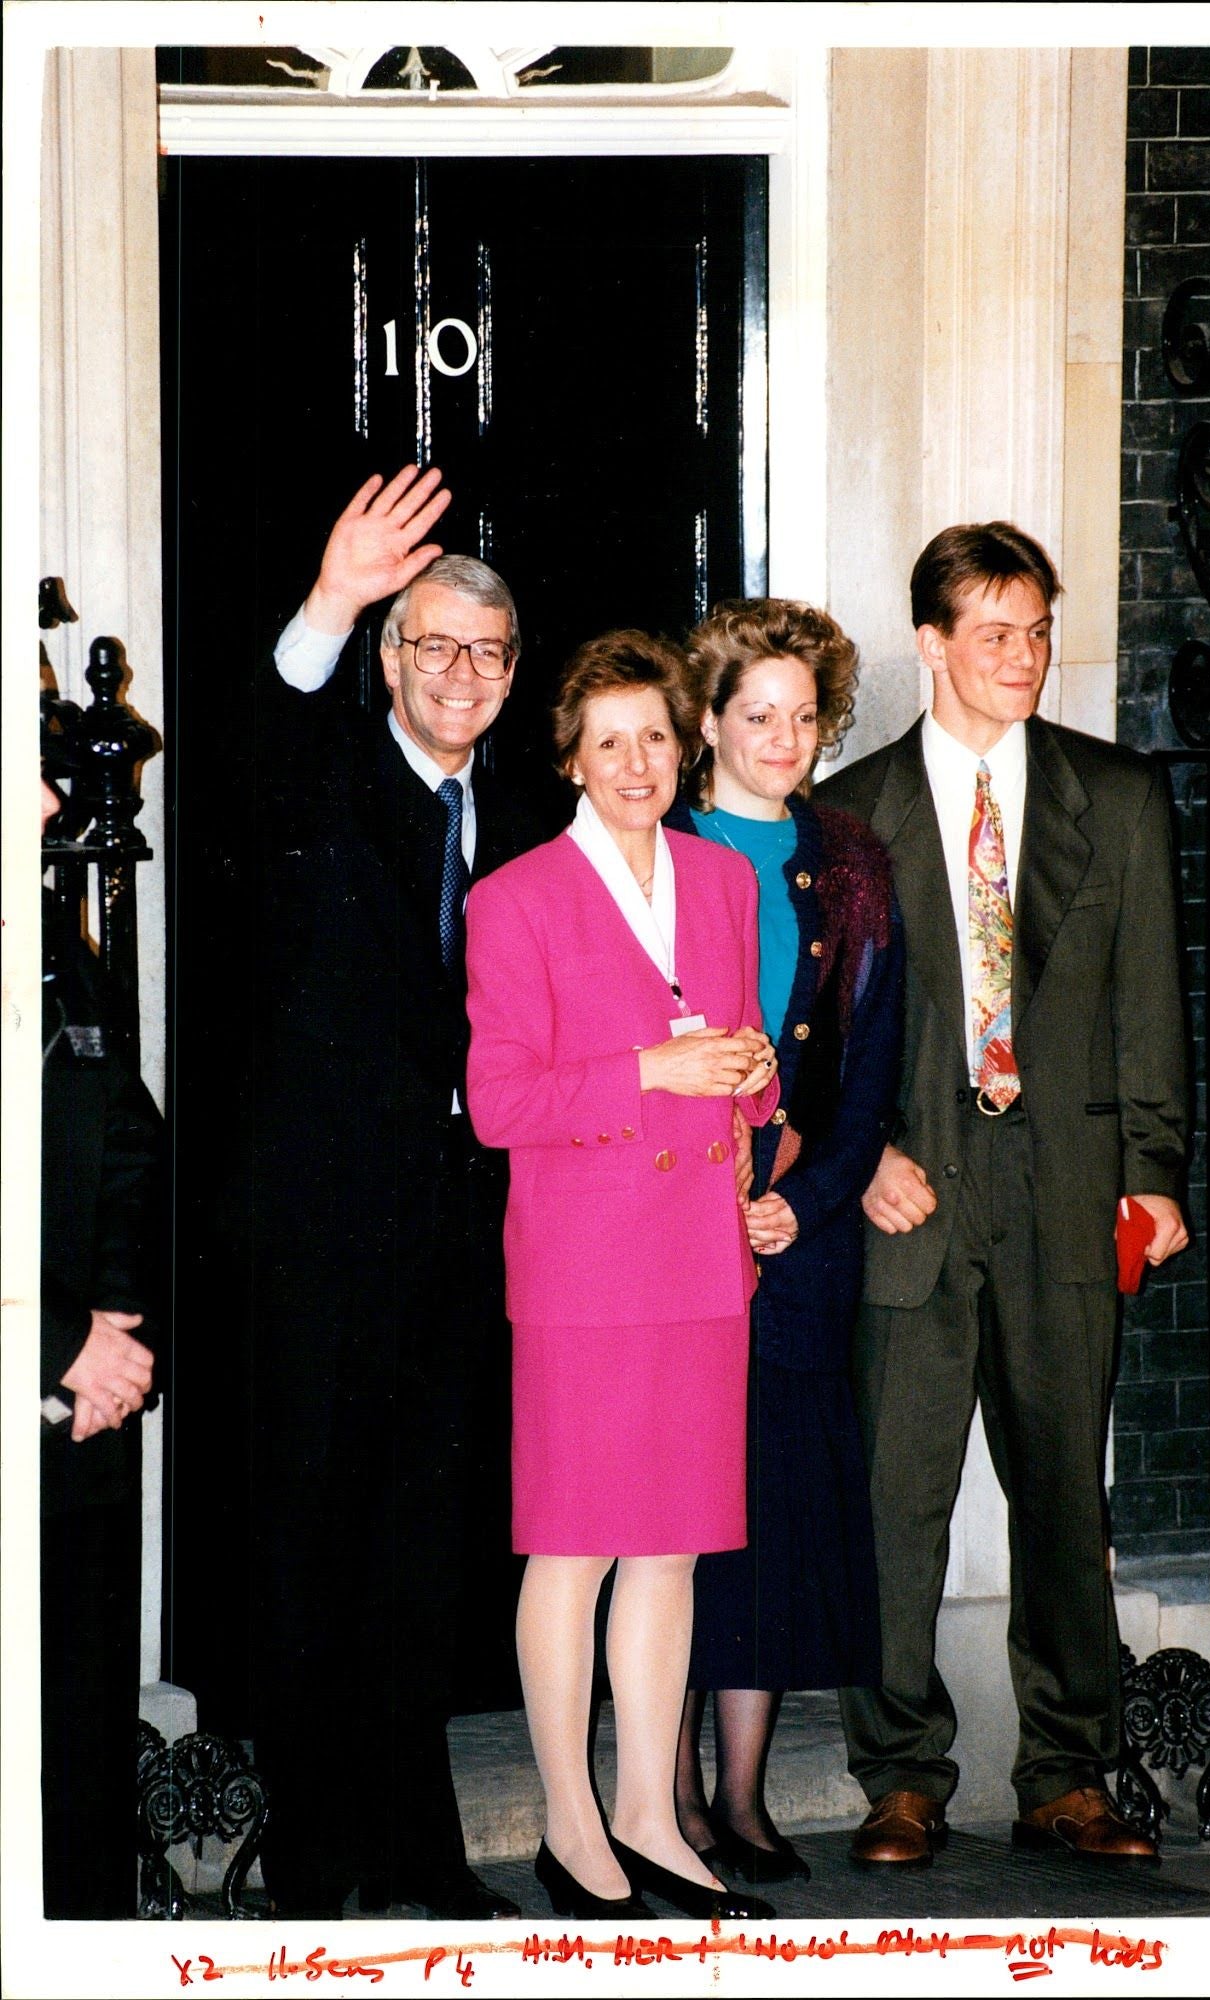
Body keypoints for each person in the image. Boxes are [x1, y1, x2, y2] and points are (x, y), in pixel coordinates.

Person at [824, 522, 1190, 1866]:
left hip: (1065, 1189)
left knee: (1062, 1492)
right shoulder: (852, 819)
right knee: (895, 1497)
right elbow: (821, 1034)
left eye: (1038, 630)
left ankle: (1066, 1773)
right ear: (931, 644)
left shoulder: (1121, 797)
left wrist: (1153, 1174)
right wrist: (857, 1161)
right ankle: (901, 1773)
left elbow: (1152, 1007)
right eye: (995, 634)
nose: (1025, 657)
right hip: (913, 1197)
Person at [247, 467, 538, 1919]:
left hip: (458, 1245)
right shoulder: (334, 778)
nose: (462, 676)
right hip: (321, 1243)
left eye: (488, 653)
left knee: (425, 1551)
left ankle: (421, 1847)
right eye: (432, 645)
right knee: (317, 1543)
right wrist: (329, 598)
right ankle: (311, 1865)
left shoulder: (527, 815)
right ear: (388, 660)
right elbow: (261, 737)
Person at [463, 631, 781, 1924]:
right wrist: (652, 1074)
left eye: (657, 736)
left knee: (672, 1552)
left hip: (702, 1255)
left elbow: (747, 1069)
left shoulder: (718, 882)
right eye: (611, 742)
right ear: (571, 762)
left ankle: (653, 1813)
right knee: (576, 1546)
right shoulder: (517, 899)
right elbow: (499, 1102)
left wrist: (756, 1116)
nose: (638, 763)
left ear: (684, 742)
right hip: (585, 1266)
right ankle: (571, 1826)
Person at [665, 599, 904, 1887]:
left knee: (763, 1518)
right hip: (661, 1234)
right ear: (706, 721)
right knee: (672, 1520)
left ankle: (744, 1799)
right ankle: (671, 1796)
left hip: (794, 1244)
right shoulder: (652, 842)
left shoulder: (853, 862)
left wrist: (801, 1204)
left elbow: (871, 1075)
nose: (782, 737)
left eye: (804, 716)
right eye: (756, 713)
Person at [39, 767, 161, 1918]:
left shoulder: (47, 928)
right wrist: (57, 1342)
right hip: (46, 1364)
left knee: (74, 1740)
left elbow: (128, 1134)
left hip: (81, 1407)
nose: (47, 795)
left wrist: (114, 1346)